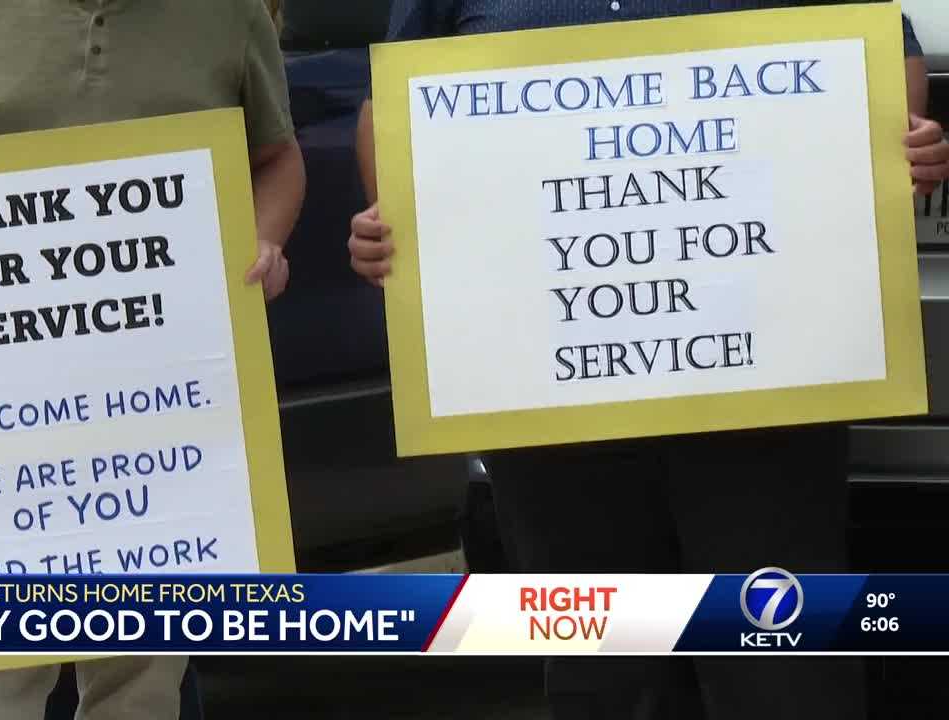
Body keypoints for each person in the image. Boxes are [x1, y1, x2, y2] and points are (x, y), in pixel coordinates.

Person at [349, 2, 949, 719]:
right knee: (603, 668)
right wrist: (396, 225)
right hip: (551, 394)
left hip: (764, 388)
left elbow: (886, 48)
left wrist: (900, 146)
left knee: (781, 662)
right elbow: (389, 105)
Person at [0, 1, 305, 718]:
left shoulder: (228, 15)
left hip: (158, 412)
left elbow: (276, 157)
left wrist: (262, 244)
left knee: (138, 693)